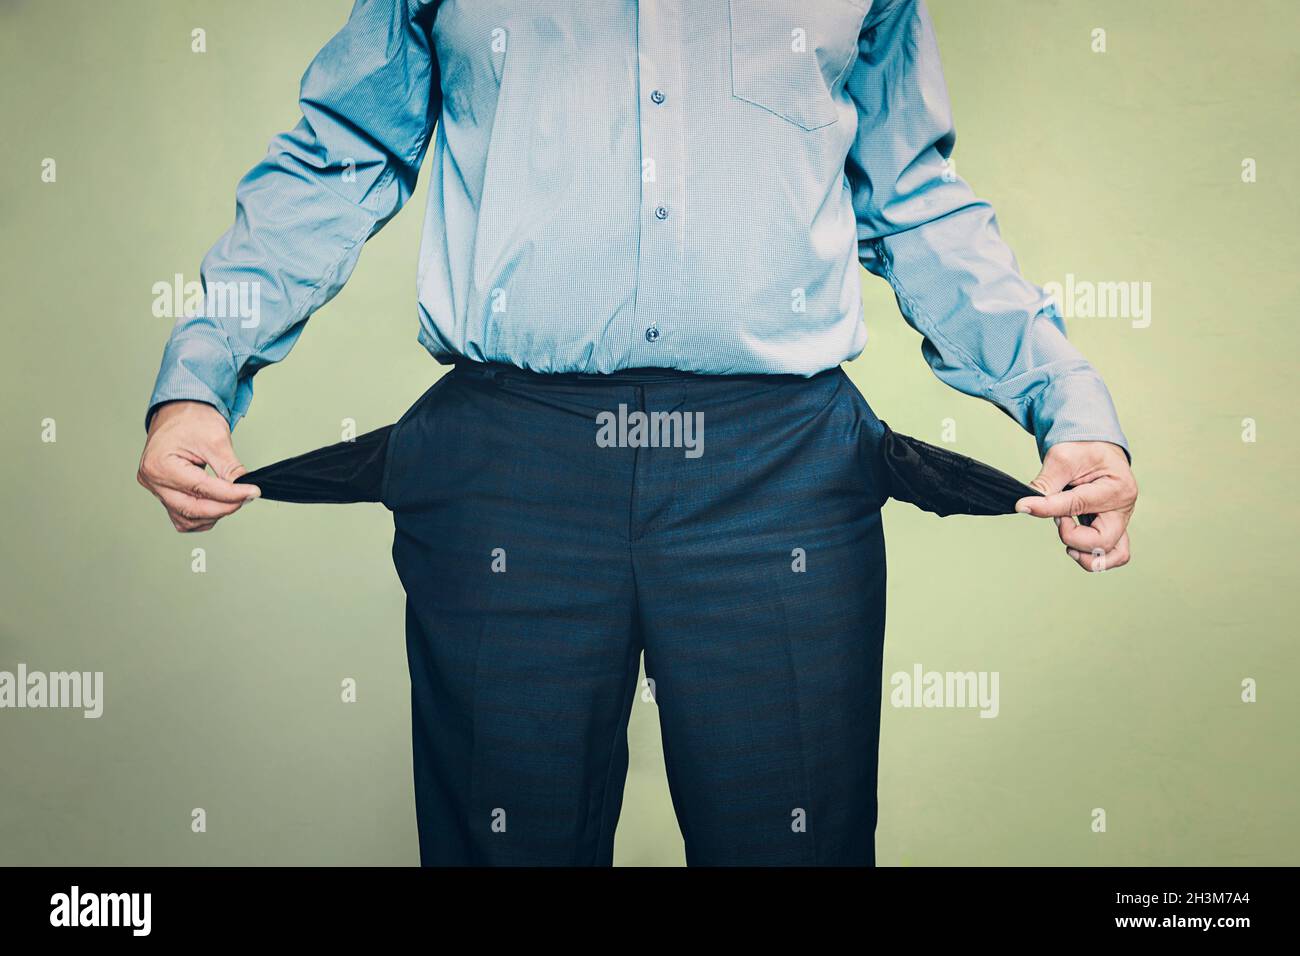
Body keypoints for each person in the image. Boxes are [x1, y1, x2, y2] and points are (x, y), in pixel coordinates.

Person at [137, 0, 1138, 865]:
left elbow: (912, 196)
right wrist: (200, 375)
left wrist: (1064, 402)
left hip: (776, 473)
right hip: (509, 469)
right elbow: (340, 155)